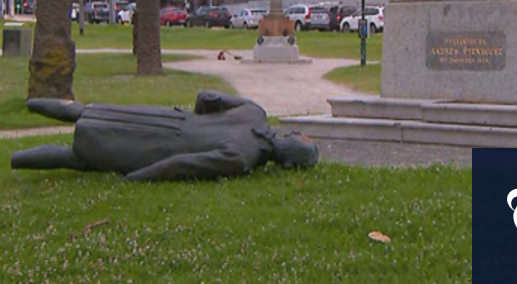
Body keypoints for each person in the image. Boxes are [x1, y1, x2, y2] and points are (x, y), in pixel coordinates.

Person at [10, 91, 318, 181]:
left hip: (166, 124)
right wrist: (136, 176)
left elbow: (206, 97)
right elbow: (183, 163)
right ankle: (16, 156)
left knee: (83, 119)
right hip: (159, 141)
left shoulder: (254, 115)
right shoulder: (243, 156)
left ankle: (25, 121)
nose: (293, 133)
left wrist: (197, 120)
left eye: (296, 138)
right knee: (80, 156)